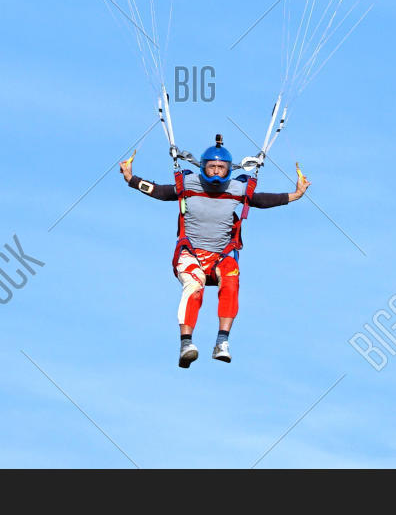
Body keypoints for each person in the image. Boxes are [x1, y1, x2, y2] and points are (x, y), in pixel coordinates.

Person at [120, 136, 309, 367]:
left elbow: (262, 200)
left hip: (221, 255)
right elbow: (159, 191)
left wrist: (295, 195)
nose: (217, 172)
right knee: (195, 285)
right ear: (203, 167)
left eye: (221, 167)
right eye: (212, 167)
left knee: (231, 280)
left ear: (229, 169)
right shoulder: (188, 185)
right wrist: (131, 178)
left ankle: (222, 342)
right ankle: (186, 343)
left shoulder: (237, 189)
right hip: (190, 255)